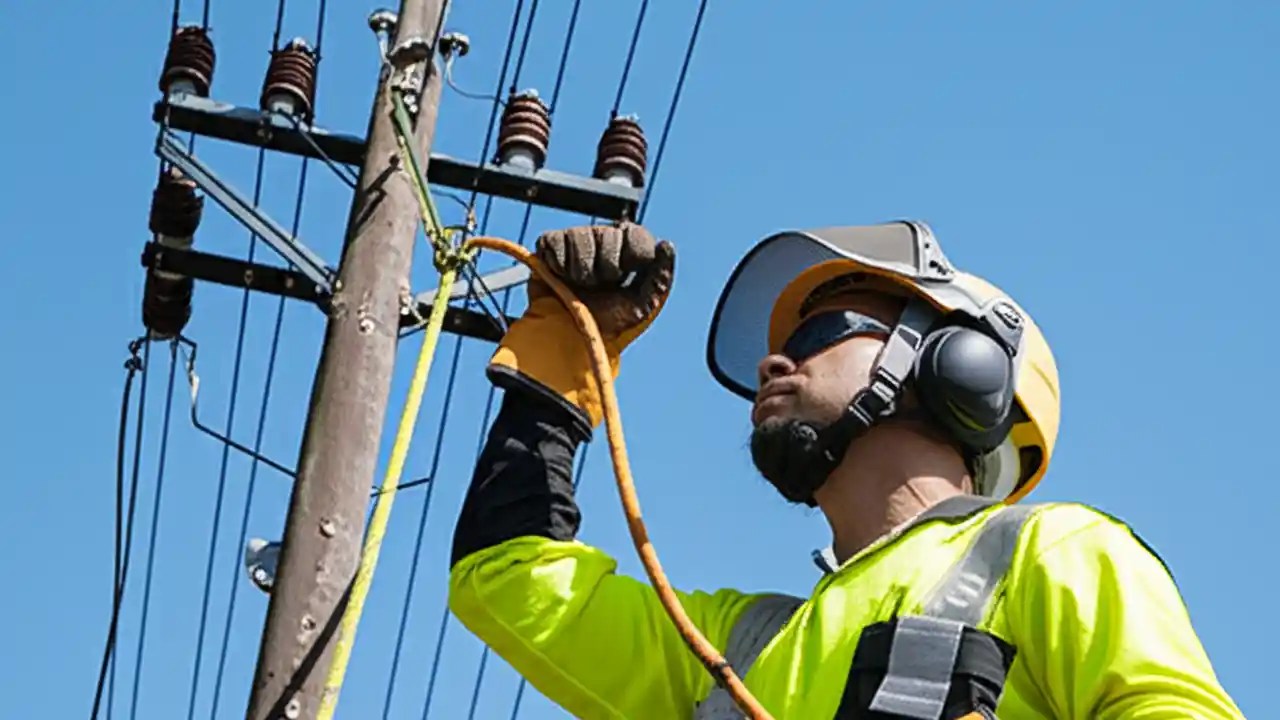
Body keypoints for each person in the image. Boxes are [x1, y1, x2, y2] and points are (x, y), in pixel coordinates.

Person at [447, 220, 1243, 719]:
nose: (773, 361)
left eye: (823, 329)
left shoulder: (1052, 551)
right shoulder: (740, 647)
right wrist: (559, 361)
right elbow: (509, 581)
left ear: (958, 365)